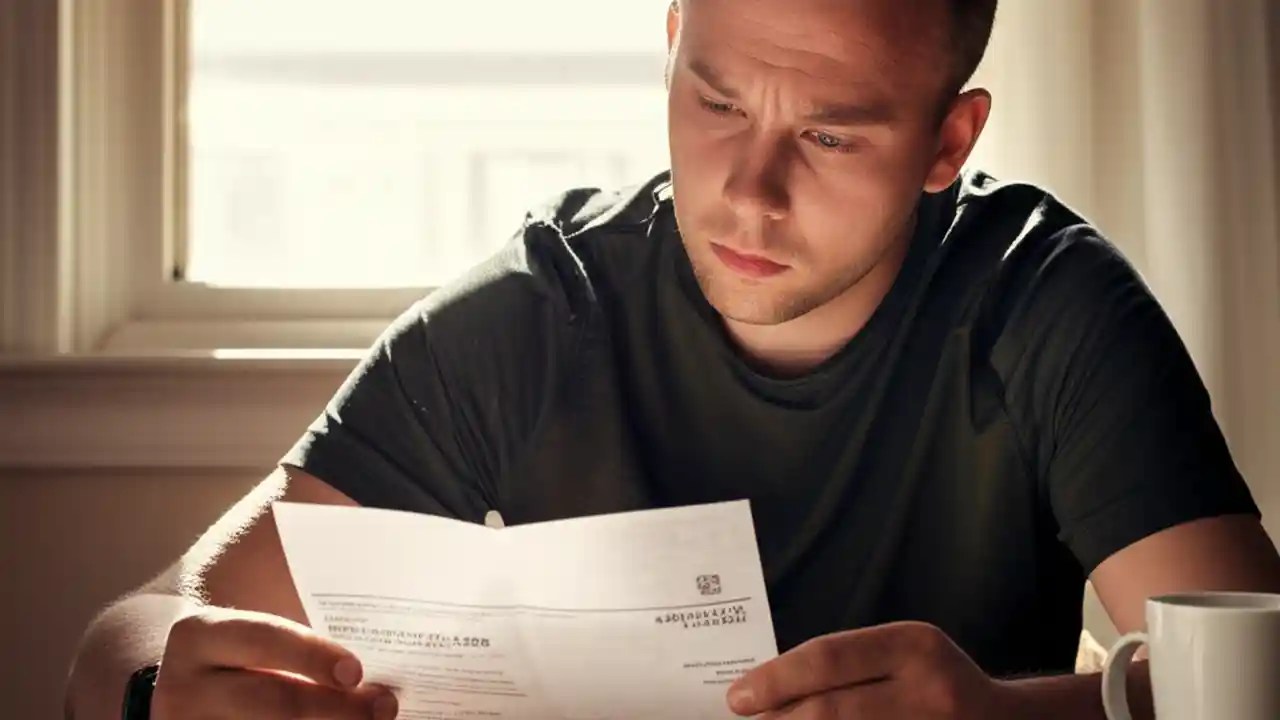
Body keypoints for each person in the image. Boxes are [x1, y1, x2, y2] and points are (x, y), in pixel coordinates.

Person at [68, 0, 1280, 718]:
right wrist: (158, 696)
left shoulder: (1047, 303)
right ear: (667, 41)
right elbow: (126, 630)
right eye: (712, 103)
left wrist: (1006, 719)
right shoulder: (541, 310)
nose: (747, 196)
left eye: (825, 133)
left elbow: (1258, 675)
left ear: (944, 139)